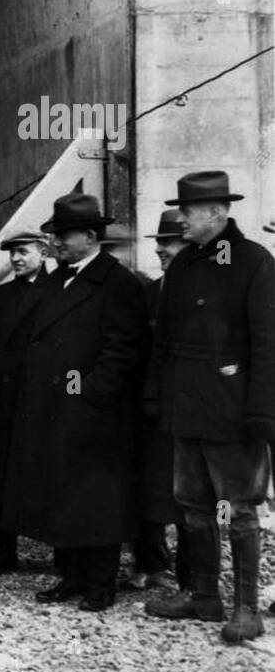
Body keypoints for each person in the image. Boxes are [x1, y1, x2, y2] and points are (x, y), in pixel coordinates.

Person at [4, 193, 149, 612]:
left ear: (89, 236)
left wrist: (87, 392)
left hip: (93, 414)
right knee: (61, 497)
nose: (57, 243)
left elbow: (122, 351)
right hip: (53, 410)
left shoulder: (117, 282)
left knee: (96, 502)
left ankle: (101, 584)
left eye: (63, 235)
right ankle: (71, 575)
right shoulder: (56, 279)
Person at [145, 172, 275, 642]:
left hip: (233, 410)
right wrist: (157, 396)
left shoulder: (255, 262)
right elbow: (164, 340)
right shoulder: (182, 267)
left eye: (188, 211)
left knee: (239, 510)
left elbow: (267, 344)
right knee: (193, 505)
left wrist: (262, 413)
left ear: (217, 213)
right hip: (187, 407)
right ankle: (203, 596)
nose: (181, 219)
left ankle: (247, 609)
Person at [125, 209, 190, 593]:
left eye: (169, 242)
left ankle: (194, 575)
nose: (161, 249)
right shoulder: (149, 294)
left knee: (191, 498)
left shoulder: (205, 293)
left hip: (190, 411)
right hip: (149, 411)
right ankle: (150, 562)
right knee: (148, 489)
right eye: (159, 243)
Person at [0, 230, 50, 573]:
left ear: (43, 252)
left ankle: (63, 553)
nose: (15, 259)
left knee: (47, 473)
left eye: (23, 252)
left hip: (43, 400)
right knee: (3, 476)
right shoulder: (1, 297)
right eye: (11, 254)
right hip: (8, 401)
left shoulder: (59, 291)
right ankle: (5, 548)